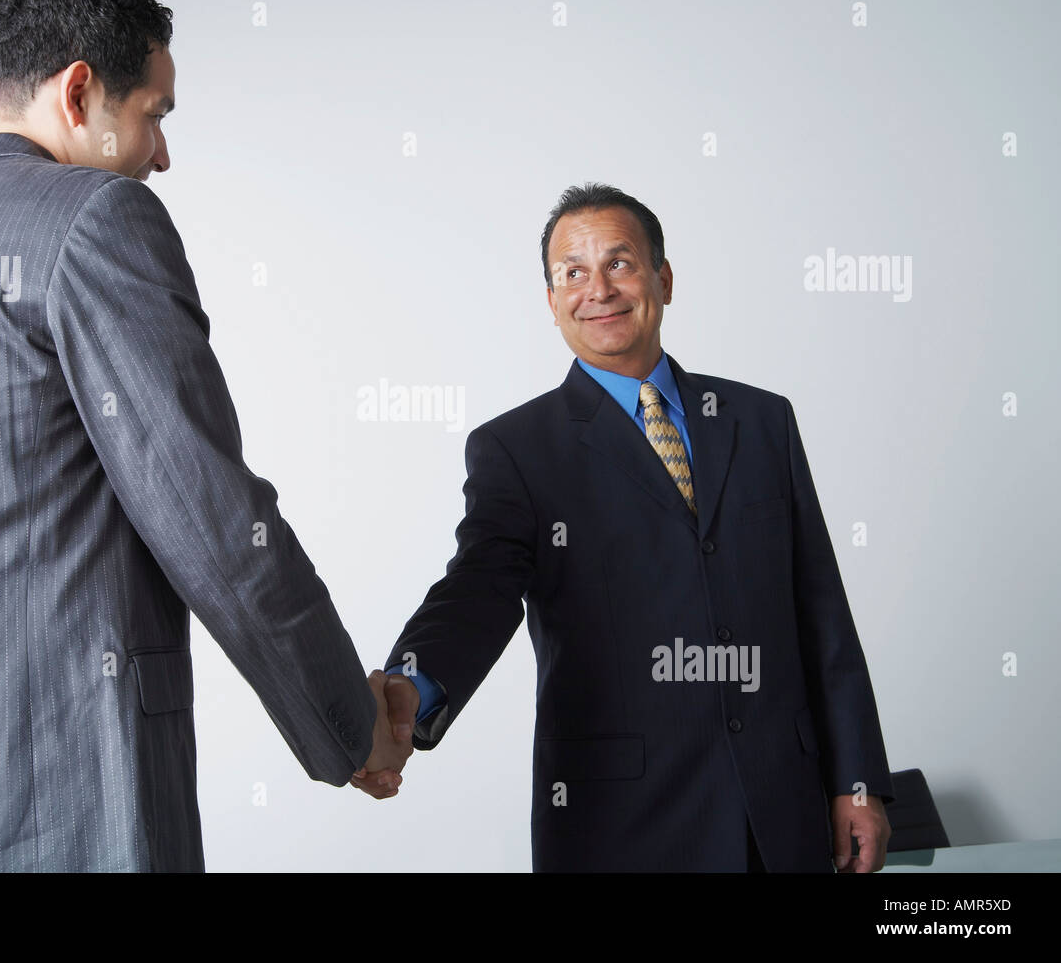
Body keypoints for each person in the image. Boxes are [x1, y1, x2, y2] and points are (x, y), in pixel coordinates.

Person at [0, 0, 407, 873]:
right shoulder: (97, 218)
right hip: (76, 817)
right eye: (154, 113)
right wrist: (350, 727)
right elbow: (214, 520)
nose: (161, 154)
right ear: (79, 93)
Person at [352, 184, 894, 872]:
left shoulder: (762, 422)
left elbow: (823, 615)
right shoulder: (520, 449)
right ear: (551, 303)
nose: (598, 288)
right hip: (621, 826)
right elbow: (478, 590)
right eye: (571, 273)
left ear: (663, 279)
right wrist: (408, 691)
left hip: (782, 810)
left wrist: (856, 778)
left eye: (620, 263)